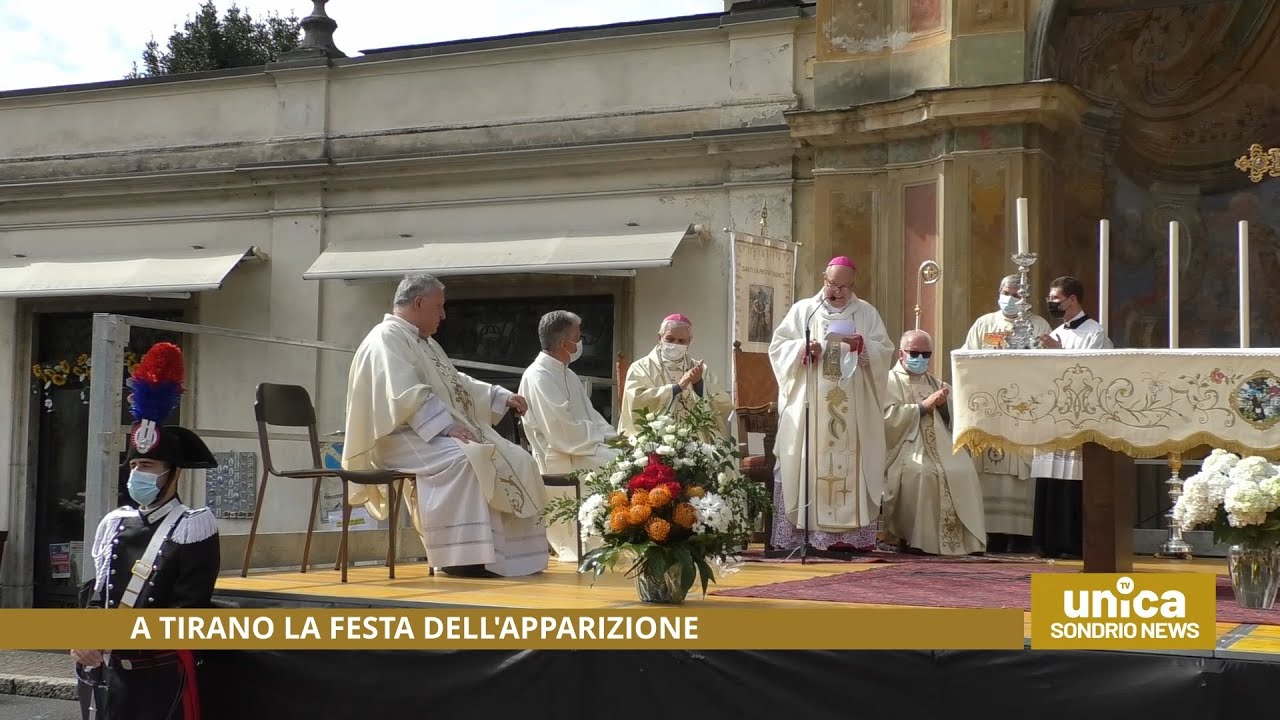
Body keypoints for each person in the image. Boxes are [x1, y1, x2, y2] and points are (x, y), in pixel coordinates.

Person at [342, 273, 548, 578]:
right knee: (468, 459)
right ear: (418, 302)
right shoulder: (387, 337)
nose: (443, 315)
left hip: (422, 433)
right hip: (398, 437)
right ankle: (462, 559)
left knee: (520, 458)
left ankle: (509, 557)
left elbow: (454, 382)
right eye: (438, 306)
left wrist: (497, 395)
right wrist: (444, 426)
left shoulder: (424, 343)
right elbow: (404, 393)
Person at [72, 341, 220, 720]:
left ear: (174, 473)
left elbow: (188, 611)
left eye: (149, 466)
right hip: (109, 678)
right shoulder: (116, 523)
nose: (138, 473)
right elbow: (98, 595)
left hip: (159, 680)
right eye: (135, 465)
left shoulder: (193, 527)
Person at [768, 256, 892, 552]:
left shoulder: (866, 312)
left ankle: (850, 538)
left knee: (852, 461)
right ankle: (803, 536)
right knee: (806, 458)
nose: (836, 291)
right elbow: (778, 348)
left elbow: (884, 350)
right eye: (832, 284)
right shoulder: (805, 311)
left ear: (853, 286)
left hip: (854, 407)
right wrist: (802, 348)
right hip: (811, 407)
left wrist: (864, 346)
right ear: (824, 279)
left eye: (843, 287)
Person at [518, 310, 620, 562]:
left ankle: (617, 538)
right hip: (563, 456)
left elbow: (592, 415)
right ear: (565, 344)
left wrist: (614, 437)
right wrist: (604, 440)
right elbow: (562, 433)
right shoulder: (538, 376)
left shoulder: (567, 373)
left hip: (582, 446)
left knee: (630, 457)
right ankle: (593, 543)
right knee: (620, 466)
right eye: (578, 336)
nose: (581, 341)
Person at [960, 273, 1052, 553]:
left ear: (1026, 298)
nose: (1009, 299)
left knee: (1021, 472)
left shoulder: (1038, 325)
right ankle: (990, 533)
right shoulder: (984, 324)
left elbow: (1047, 366)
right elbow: (966, 360)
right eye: (1005, 293)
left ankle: (1022, 536)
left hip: (1025, 409)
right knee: (988, 472)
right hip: (991, 409)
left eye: (1016, 295)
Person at [882, 330, 986, 556]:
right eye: (914, 353)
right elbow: (885, 419)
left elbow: (958, 419)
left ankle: (967, 542)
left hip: (942, 447)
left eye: (926, 354)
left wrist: (943, 405)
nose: (920, 359)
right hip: (906, 447)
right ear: (901, 354)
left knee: (964, 470)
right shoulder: (887, 382)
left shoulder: (937, 383)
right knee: (923, 473)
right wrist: (921, 407)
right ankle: (920, 540)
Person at [1031, 275, 1114, 558]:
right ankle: (1047, 542)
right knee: (1050, 479)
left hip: (1079, 416)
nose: (1051, 303)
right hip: (1054, 414)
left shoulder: (1095, 332)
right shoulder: (1057, 332)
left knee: (1071, 481)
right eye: (1050, 298)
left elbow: (1093, 373)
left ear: (1073, 299)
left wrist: (1060, 352)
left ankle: (1072, 543)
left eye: (1055, 298)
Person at [618, 313, 734, 437]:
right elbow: (635, 401)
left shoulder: (701, 370)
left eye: (681, 341)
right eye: (670, 339)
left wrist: (699, 384)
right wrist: (676, 388)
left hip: (695, 439)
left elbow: (723, 405)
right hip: (655, 439)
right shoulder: (640, 367)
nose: (675, 344)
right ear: (659, 337)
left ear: (689, 342)